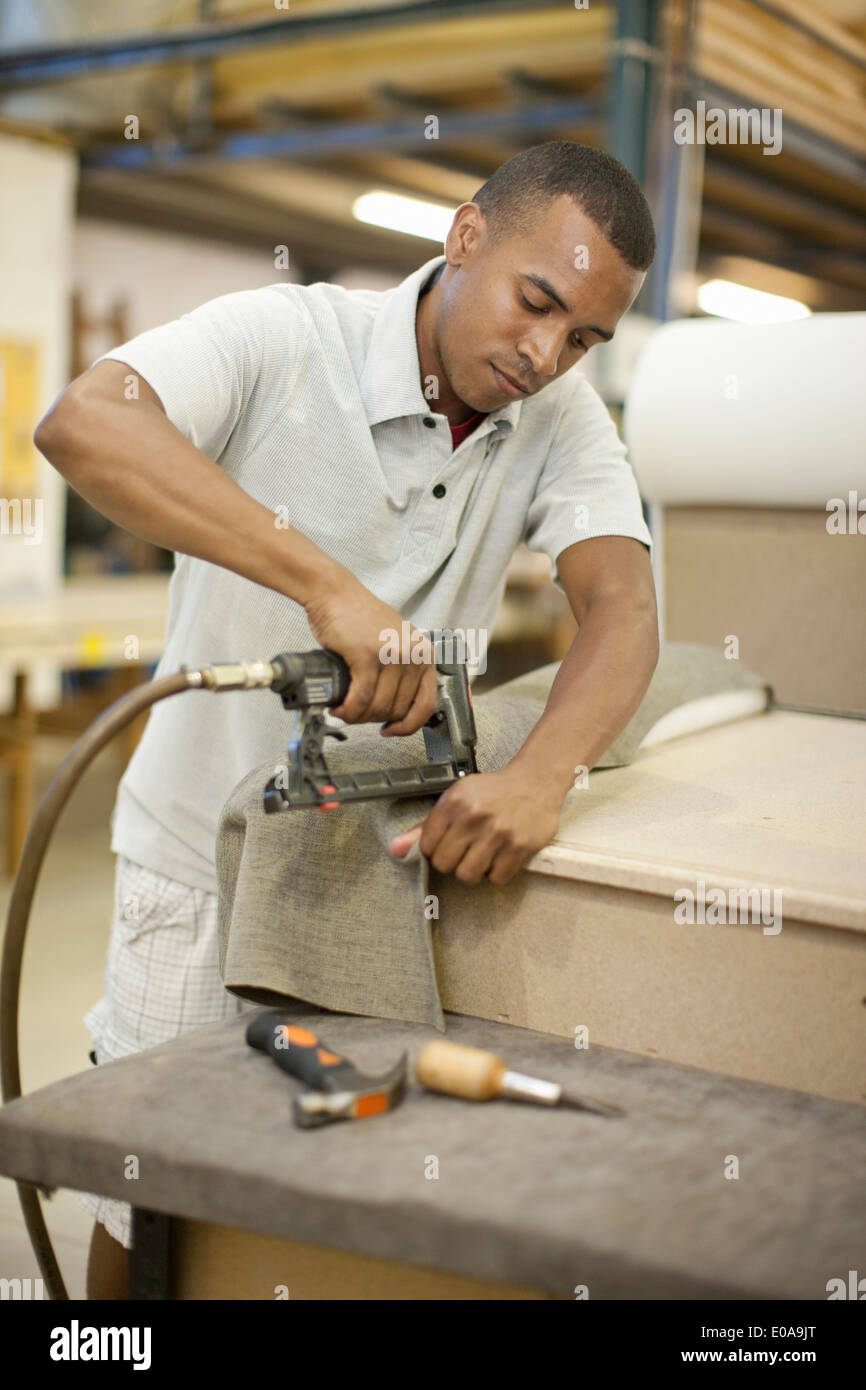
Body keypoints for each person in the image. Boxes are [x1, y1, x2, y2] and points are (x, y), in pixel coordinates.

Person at [34, 139, 660, 1297]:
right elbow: (85, 421)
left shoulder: (560, 421)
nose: (543, 353)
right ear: (464, 235)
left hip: (373, 864)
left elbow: (623, 611)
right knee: (149, 1174)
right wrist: (327, 587)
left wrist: (543, 775)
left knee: (321, 1180)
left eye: (582, 337)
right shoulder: (284, 338)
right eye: (536, 304)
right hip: (195, 862)